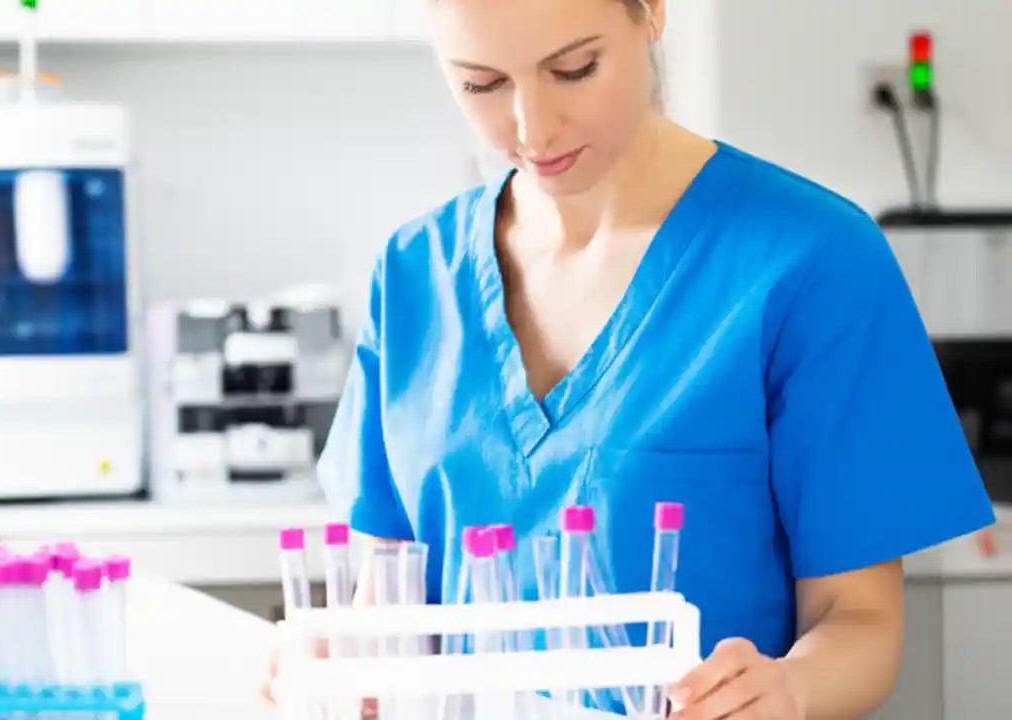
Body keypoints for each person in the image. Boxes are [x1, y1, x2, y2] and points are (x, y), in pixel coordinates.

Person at [262, 0, 996, 717]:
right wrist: (336, 656)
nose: (531, 128)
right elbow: (382, 593)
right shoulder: (414, 275)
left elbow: (860, 623)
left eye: (574, 69)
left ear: (651, 11)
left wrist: (789, 690)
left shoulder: (813, 260)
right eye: (482, 84)